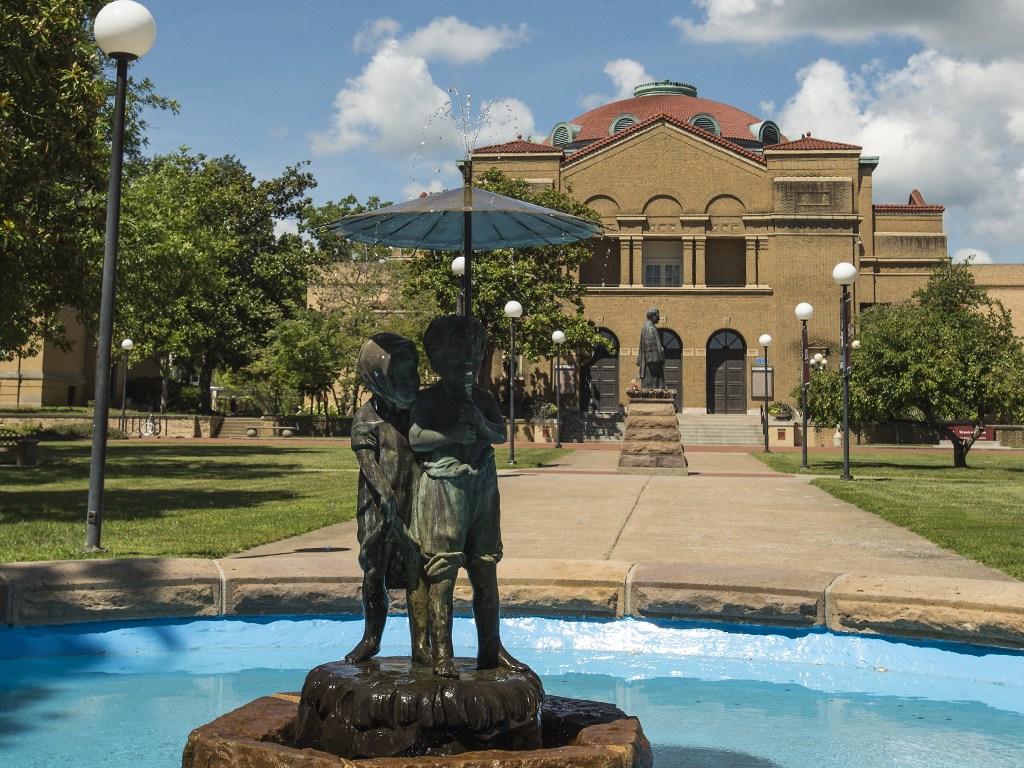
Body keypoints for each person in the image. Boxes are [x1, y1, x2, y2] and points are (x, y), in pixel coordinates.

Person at [409, 315, 527, 678]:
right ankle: (443, 651)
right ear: (439, 362)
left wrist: (478, 422)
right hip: (445, 488)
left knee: (485, 566)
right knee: (442, 571)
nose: (466, 370)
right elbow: (415, 436)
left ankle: (491, 647)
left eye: (472, 363)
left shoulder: (483, 398)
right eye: (457, 363)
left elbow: (499, 435)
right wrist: (449, 435)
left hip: (482, 487)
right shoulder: (428, 399)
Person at [345, 333, 428, 665]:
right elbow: (367, 462)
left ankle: (421, 644)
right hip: (377, 504)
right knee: (374, 571)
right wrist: (386, 498)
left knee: (416, 569)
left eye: (414, 371)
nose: (414, 380)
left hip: (416, 498)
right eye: (403, 373)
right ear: (380, 377)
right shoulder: (366, 418)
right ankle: (371, 638)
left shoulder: (421, 411)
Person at [637, 307, 666, 389]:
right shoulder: (650, 328)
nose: (659, 318)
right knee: (652, 388)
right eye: (657, 316)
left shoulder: (648, 328)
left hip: (650, 364)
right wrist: (660, 357)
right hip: (652, 366)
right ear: (652, 316)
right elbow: (651, 351)